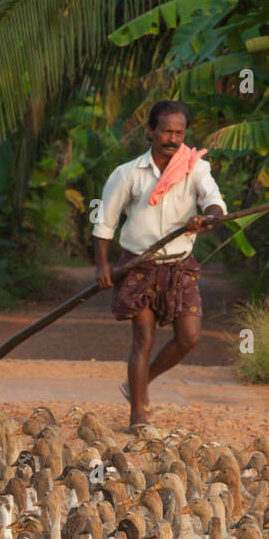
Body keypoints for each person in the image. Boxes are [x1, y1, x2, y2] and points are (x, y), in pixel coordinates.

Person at [93, 100, 226, 425]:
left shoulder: (196, 168)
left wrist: (206, 218)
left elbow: (215, 204)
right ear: (150, 131)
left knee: (189, 337)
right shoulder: (128, 174)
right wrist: (102, 266)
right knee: (143, 338)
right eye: (166, 131)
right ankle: (138, 413)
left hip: (179, 266)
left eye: (179, 132)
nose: (172, 138)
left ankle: (138, 384)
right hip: (138, 267)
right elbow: (104, 222)